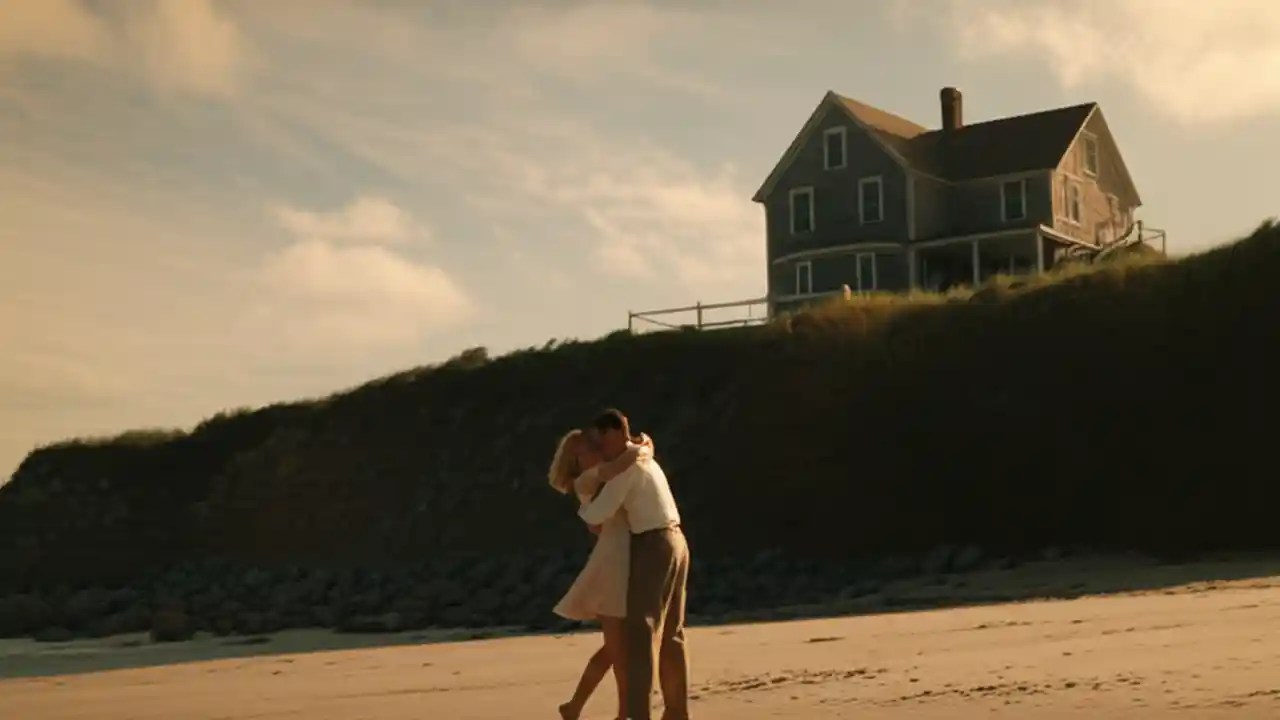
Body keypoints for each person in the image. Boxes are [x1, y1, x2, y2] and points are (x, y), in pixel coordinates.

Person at [579, 409, 690, 720]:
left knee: (640, 633)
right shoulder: (644, 457)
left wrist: (584, 494)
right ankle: (677, 712)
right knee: (671, 634)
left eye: (600, 444)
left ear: (614, 432)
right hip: (678, 541)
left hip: (656, 544)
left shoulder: (628, 468)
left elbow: (595, 516)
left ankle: (638, 714)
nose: (601, 453)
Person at [549, 427, 654, 720]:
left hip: (623, 561)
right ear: (576, 460)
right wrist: (643, 445)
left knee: (614, 648)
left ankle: (575, 707)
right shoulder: (588, 480)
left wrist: (639, 446)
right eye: (586, 450)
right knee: (617, 649)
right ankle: (620, 714)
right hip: (612, 565)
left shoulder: (603, 477)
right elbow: (625, 464)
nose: (595, 453)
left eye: (594, 446)